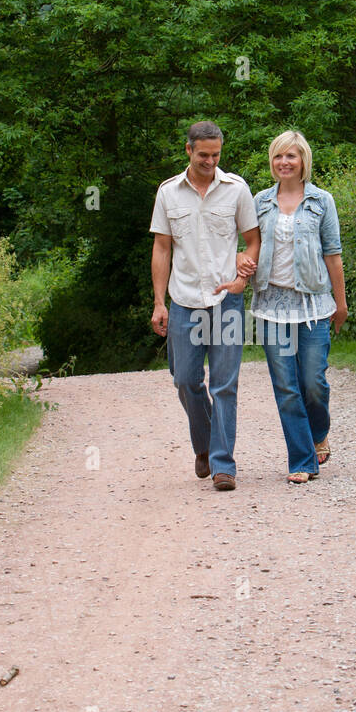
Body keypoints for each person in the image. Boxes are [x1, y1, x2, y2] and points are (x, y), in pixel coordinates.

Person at [150, 121, 260, 491]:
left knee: (225, 385)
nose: (210, 161)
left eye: (216, 155)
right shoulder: (168, 193)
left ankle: (223, 464)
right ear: (188, 150)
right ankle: (205, 444)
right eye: (203, 155)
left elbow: (252, 240)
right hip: (183, 302)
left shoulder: (236, 189)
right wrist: (158, 303)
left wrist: (244, 273)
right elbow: (162, 248)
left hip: (226, 300)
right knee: (185, 380)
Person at [241, 129, 347, 484]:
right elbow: (248, 246)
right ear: (271, 162)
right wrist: (241, 263)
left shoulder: (322, 201)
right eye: (278, 156)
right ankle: (302, 461)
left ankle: (318, 433)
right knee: (286, 386)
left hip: (314, 305)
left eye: (291, 156)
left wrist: (341, 302)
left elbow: (332, 253)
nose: (284, 162)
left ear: (303, 161)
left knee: (313, 382)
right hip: (271, 306)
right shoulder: (259, 202)